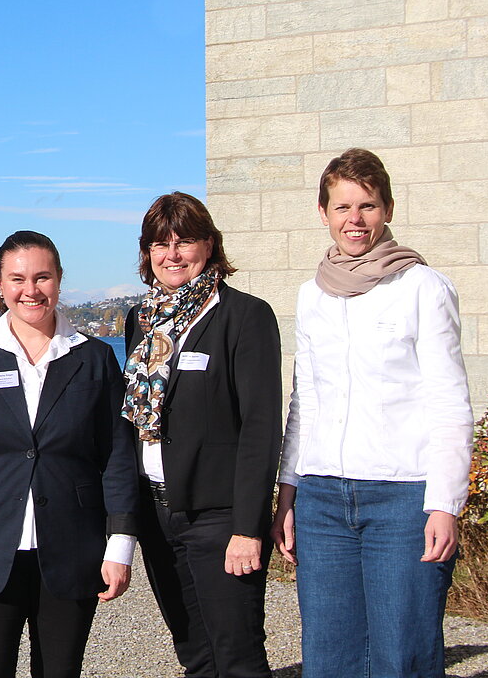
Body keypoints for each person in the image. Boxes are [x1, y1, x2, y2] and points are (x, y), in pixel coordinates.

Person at [270, 148, 473, 678]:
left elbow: (449, 401)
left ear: (387, 209)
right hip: (321, 499)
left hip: (403, 499)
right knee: (329, 659)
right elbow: (305, 400)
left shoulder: (422, 287)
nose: (354, 221)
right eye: (342, 208)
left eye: (367, 206)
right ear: (323, 213)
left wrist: (445, 503)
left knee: (400, 656)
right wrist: (288, 491)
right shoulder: (312, 294)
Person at [0, 230, 138, 678]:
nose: (31, 290)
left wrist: (120, 544)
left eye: (42, 277)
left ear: (59, 281)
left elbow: (117, 456)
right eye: (17, 278)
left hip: (71, 545)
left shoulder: (95, 358)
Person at [121, 193, 282, 678]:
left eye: (185, 240)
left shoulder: (244, 316)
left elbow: (260, 427)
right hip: (157, 513)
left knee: (238, 656)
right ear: (147, 252)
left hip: (220, 516)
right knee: (193, 653)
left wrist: (248, 528)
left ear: (209, 245)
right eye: (160, 243)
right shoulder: (141, 320)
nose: (172, 253)